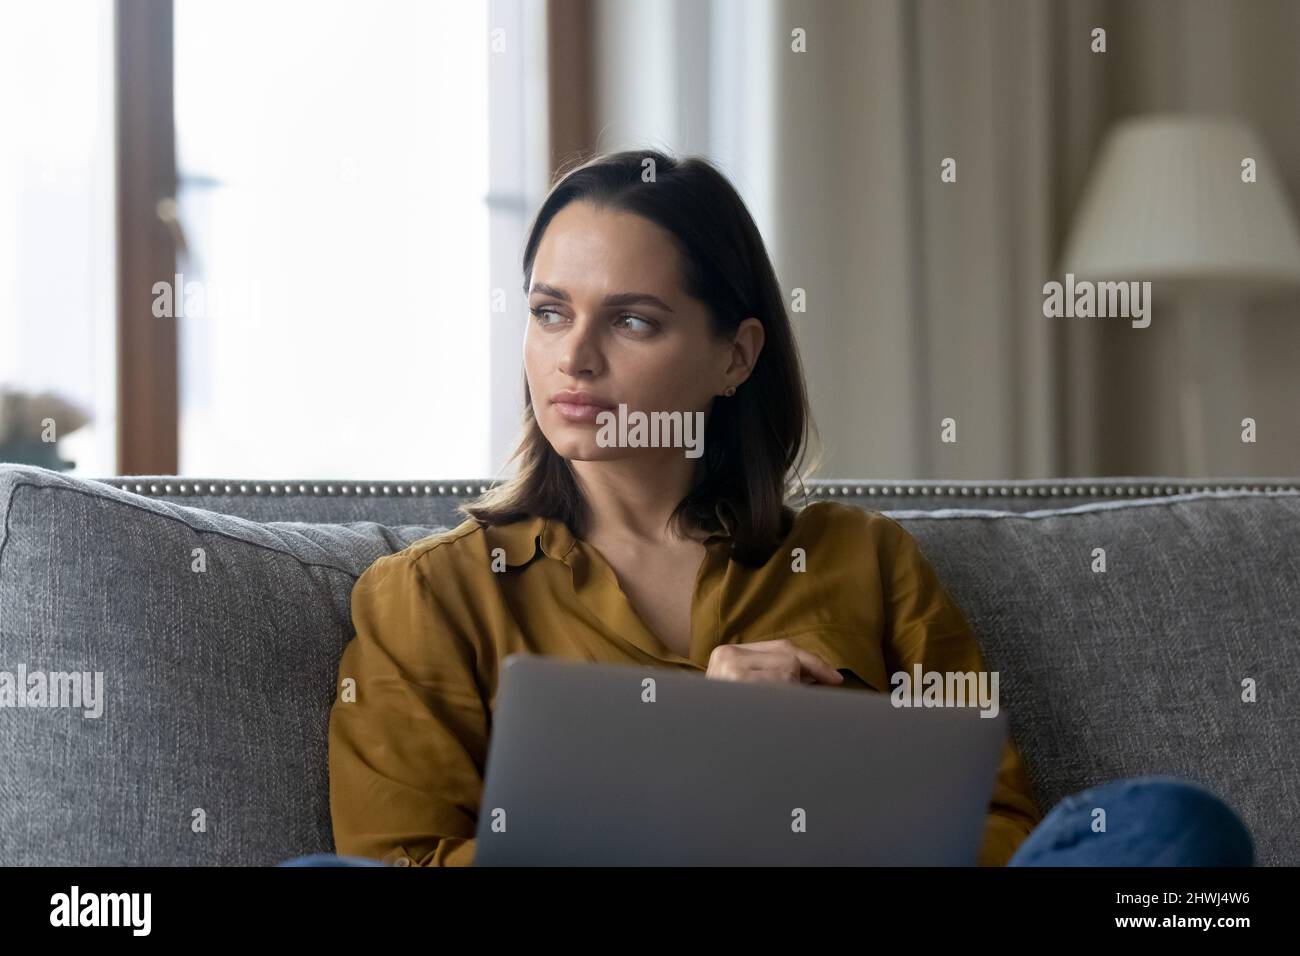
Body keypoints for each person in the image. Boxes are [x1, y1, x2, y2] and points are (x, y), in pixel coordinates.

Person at [297, 150, 1253, 869]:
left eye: (631, 319)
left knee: (1167, 829)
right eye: (550, 311)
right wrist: (693, 761)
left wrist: (817, 758)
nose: (573, 357)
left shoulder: (865, 561)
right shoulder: (432, 596)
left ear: (735, 355)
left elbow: (996, 830)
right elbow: (398, 861)